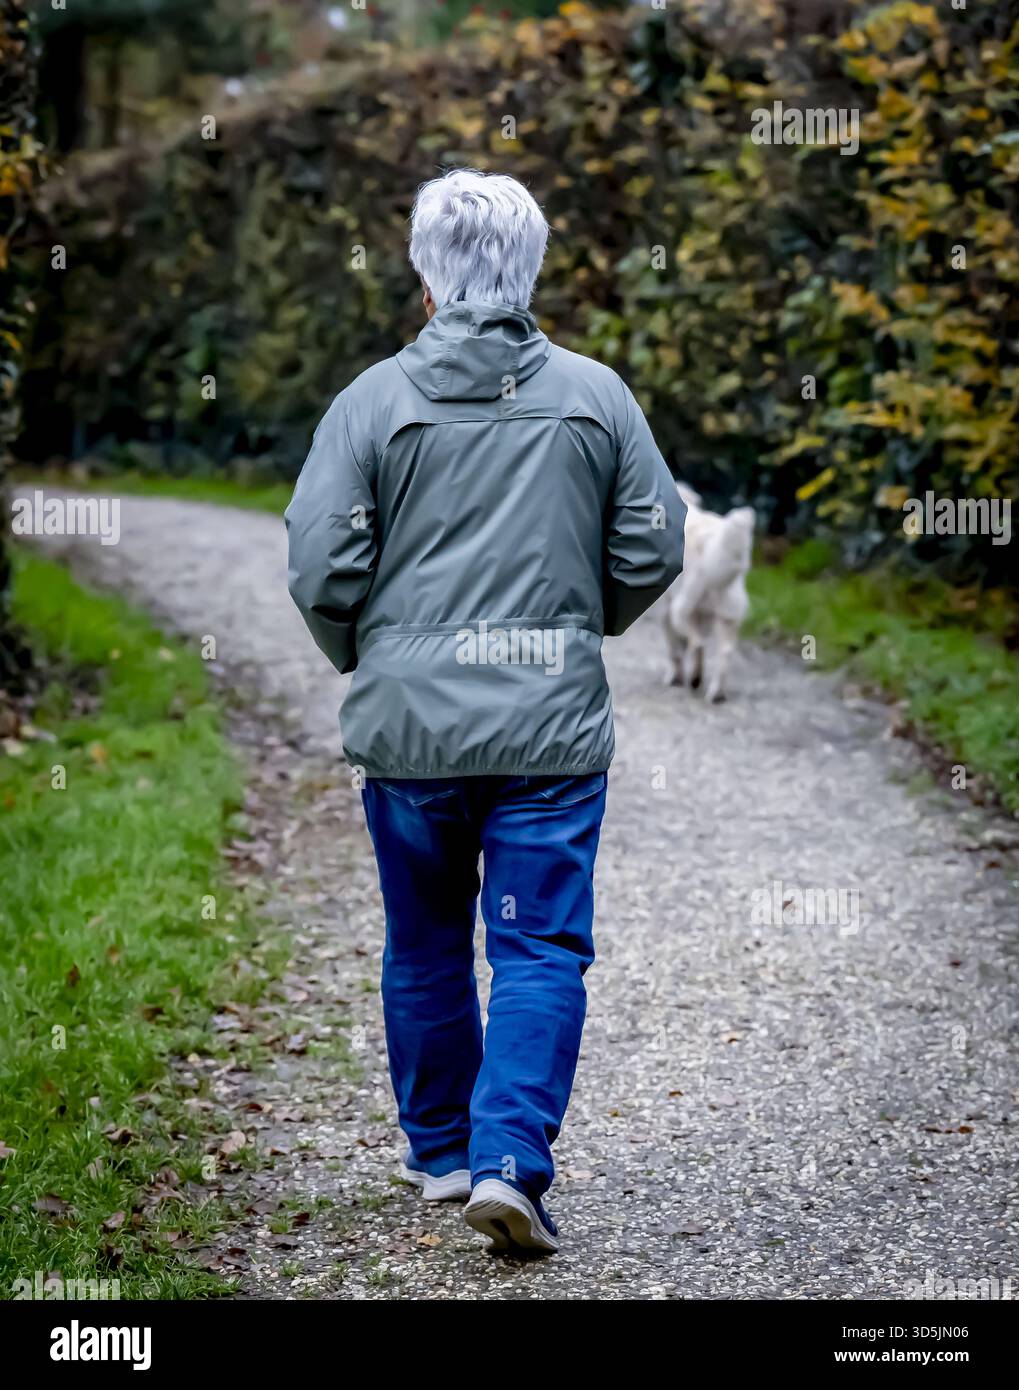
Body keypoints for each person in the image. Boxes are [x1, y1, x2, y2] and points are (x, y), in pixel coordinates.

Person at [286, 168, 685, 1254]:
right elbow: (654, 541)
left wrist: (365, 657)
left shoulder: (370, 402)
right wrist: (578, 625)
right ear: (533, 268)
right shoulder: (595, 396)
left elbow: (321, 565)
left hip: (409, 738)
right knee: (539, 948)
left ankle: (439, 1153)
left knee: (422, 941)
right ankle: (511, 1160)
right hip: (547, 737)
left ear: (423, 275)